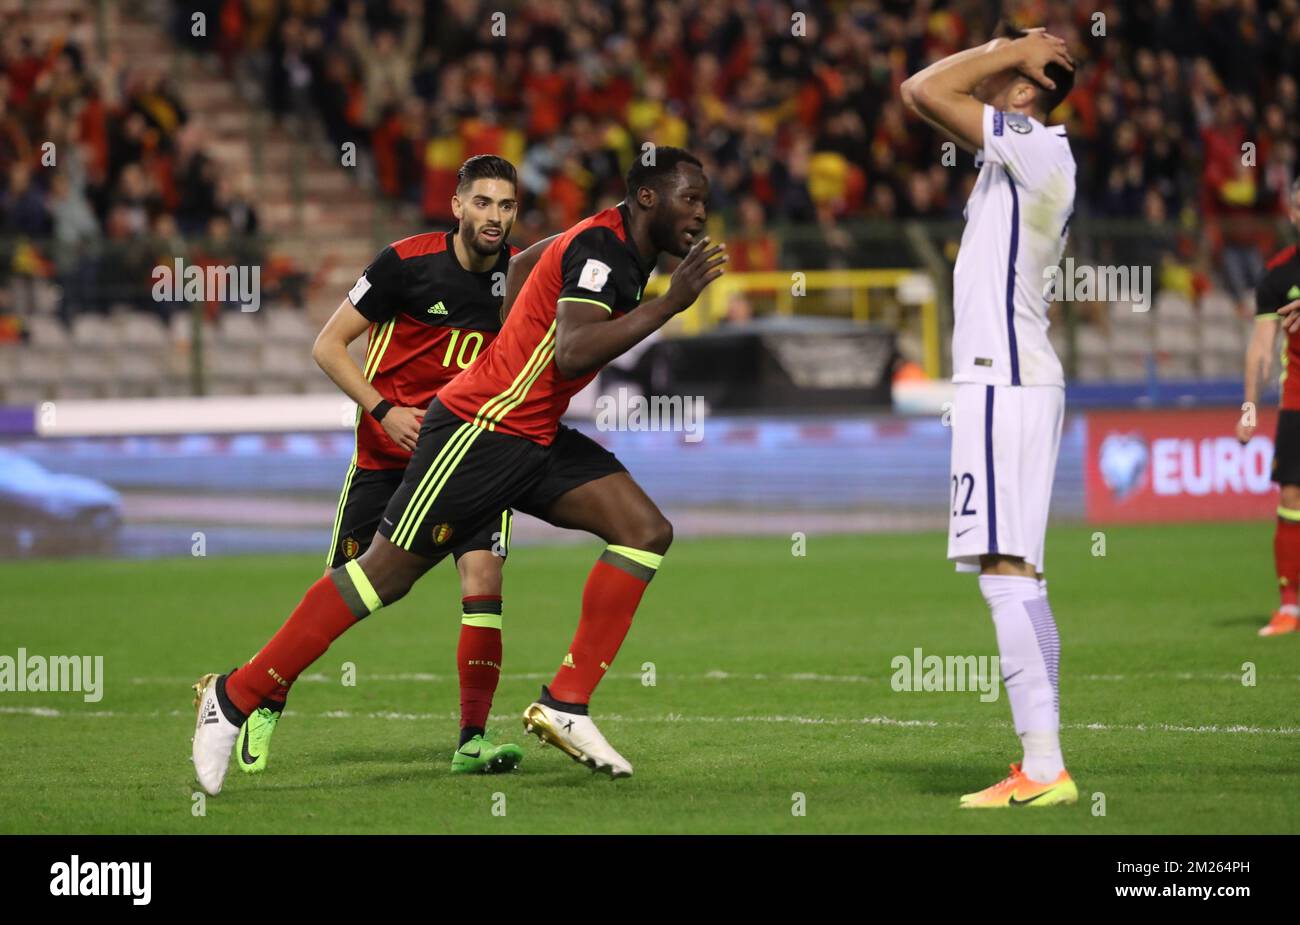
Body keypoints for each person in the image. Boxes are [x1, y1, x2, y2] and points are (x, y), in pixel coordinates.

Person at [192, 147, 725, 794]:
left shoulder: (607, 239)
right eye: (691, 198)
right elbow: (575, 347)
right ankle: (235, 693)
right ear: (648, 198)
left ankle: (565, 702)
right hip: (479, 430)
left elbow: (526, 265)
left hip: (530, 434)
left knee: (644, 529)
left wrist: (507, 337)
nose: (701, 211)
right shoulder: (604, 252)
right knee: (381, 577)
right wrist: (670, 305)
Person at [234, 155, 529, 777]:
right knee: (343, 587)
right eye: (482, 202)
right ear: (457, 205)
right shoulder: (405, 263)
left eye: (505, 205)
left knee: (485, 582)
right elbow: (327, 345)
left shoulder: (517, 280)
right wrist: (384, 409)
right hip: (386, 461)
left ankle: (471, 740)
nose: (494, 217)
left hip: (469, 465)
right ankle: (263, 694)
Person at [900, 26, 1078, 807]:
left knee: (1007, 576)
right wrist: (1011, 48)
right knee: (1017, 575)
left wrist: (1010, 47)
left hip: (1004, 384)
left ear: (1026, 91)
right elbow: (933, 100)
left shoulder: (1037, 146)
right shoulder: (1017, 156)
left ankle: (1044, 768)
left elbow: (921, 89)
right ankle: (1041, 764)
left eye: (1009, 73)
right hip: (1008, 382)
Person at [1245, 179, 1300, 636]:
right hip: (1297, 403)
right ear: (1293, 215)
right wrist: (1249, 405)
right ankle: (1290, 607)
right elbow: (1262, 348)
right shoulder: (1279, 275)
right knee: (1290, 497)